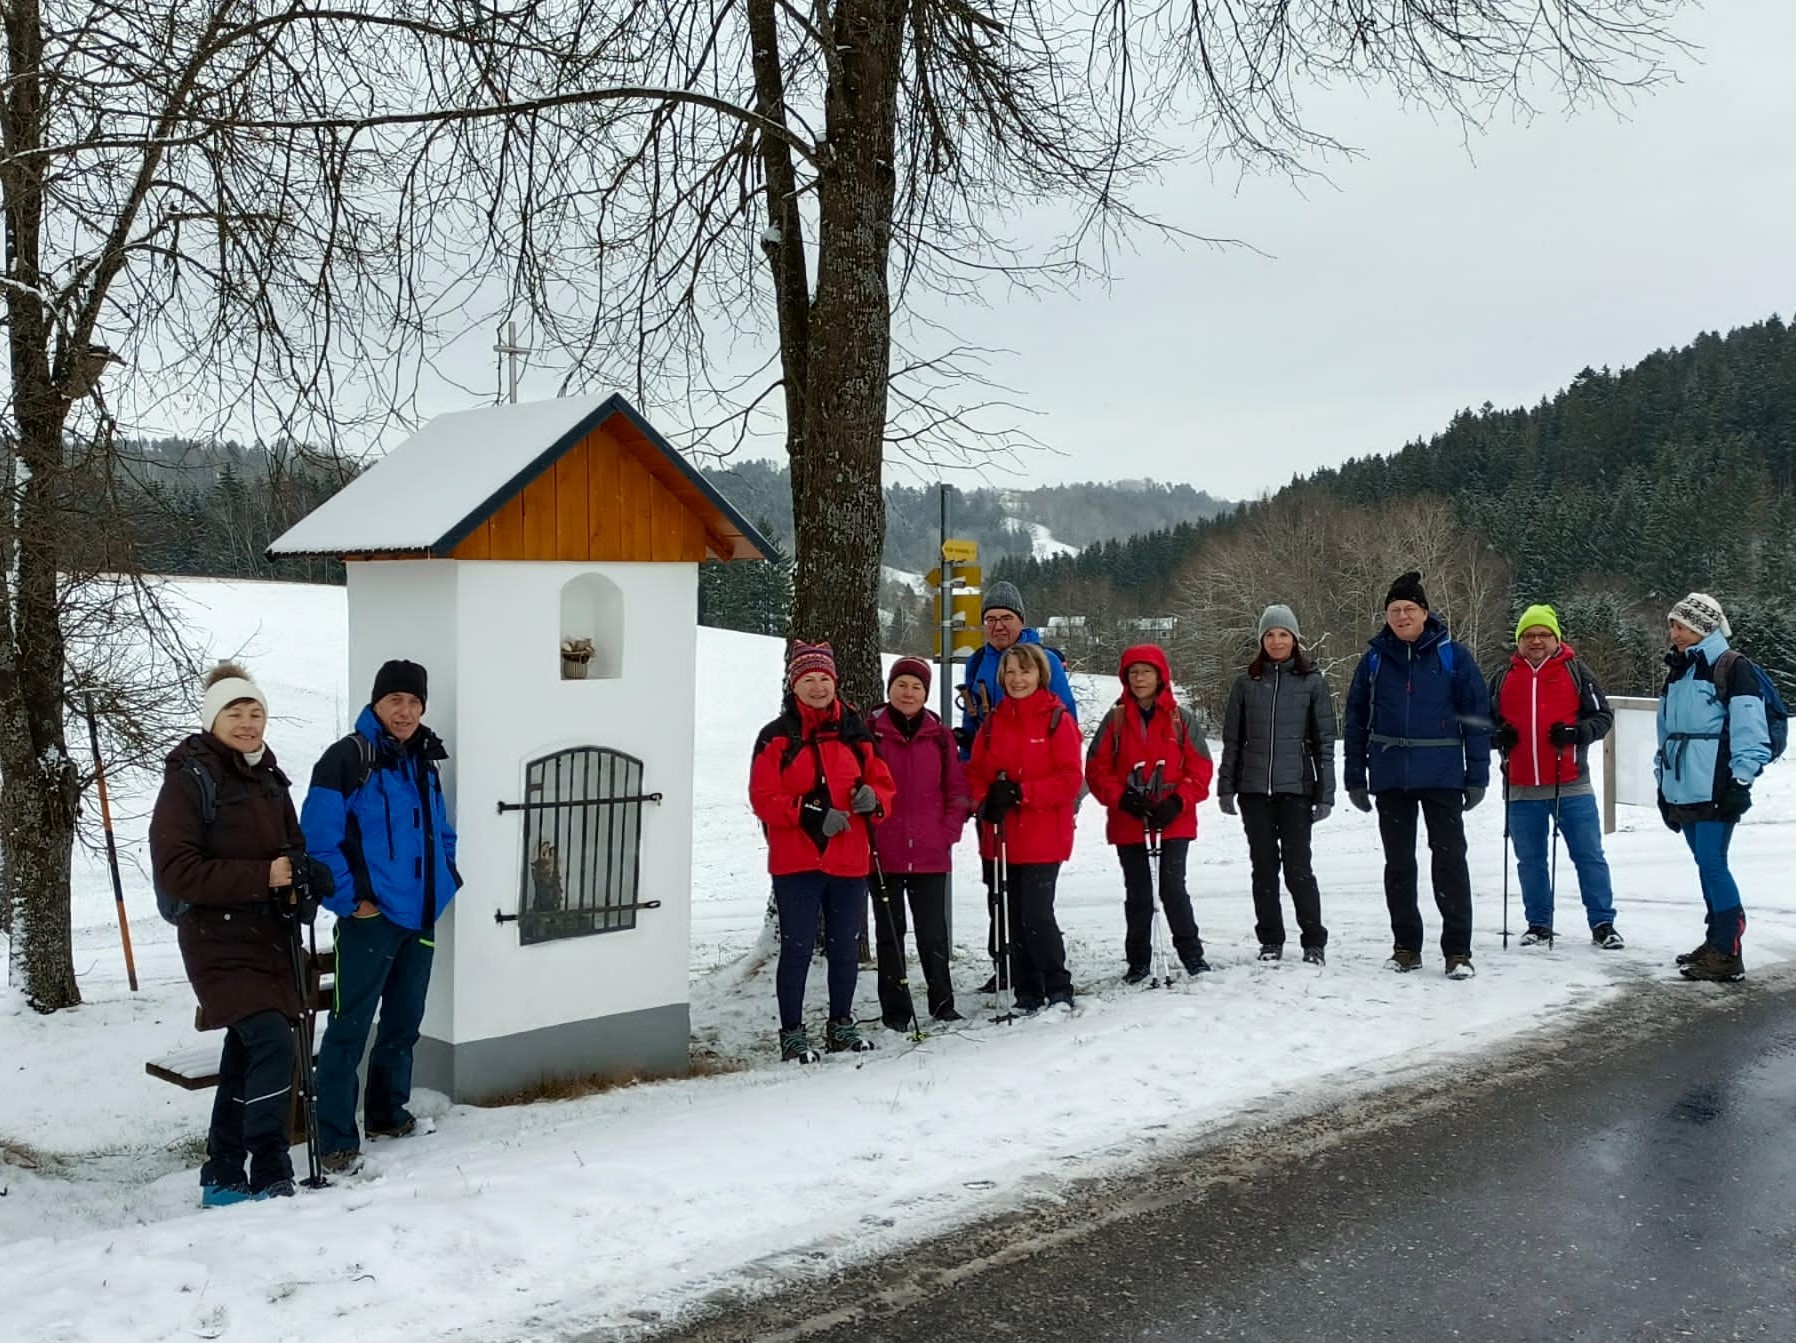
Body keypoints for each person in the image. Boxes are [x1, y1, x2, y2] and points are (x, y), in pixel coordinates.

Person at [149, 663, 329, 1207]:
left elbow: (293, 852)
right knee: (272, 1042)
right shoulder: (189, 781)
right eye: (236, 713)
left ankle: (222, 1173)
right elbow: (177, 870)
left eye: (256, 714)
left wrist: (303, 880)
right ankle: (271, 1165)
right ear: (213, 719)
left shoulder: (272, 781)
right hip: (216, 939)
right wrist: (264, 877)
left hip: (270, 937)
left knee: (244, 1055)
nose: (248, 724)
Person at [304, 659, 461, 1175]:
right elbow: (319, 843)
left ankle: (387, 1115)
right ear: (376, 703)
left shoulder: (423, 760)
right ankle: (334, 1138)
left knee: (403, 1023)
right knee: (350, 1027)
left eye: (415, 702)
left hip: (418, 917)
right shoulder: (347, 760)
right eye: (396, 700)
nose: (406, 711)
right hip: (370, 918)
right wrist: (353, 903)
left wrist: (445, 877)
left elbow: (441, 830)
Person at [750, 641, 898, 1060]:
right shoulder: (776, 737)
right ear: (794, 685)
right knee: (796, 947)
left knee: (844, 945)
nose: (817, 687)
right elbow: (763, 796)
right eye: (808, 679)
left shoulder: (856, 731)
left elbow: (883, 782)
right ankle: (792, 1033)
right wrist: (810, 815)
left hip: (850, 856)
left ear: (835, 682)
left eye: (824, 679)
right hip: (796, 861)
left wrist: (876, 797)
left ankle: (841, 1024)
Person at [1343, 571, 1491, 979]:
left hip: (1443, 775)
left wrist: (1477, 775)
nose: (1402, 616)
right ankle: (1406, 946)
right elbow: (1355, 722)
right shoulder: (1373, 660)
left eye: (1409, 609)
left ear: (1425, 612)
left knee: (1449, 863)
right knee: (1399, 866)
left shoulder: (1453, 656)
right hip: (1391, 777)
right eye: (1395, 610)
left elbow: (1477, 719)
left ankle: (1457, 951)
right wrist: (1355, 777)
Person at [1488, 604, 1622, 950]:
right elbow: (1482, 724)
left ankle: (1603, 923)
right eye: (1528, 635)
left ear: (1555, 638)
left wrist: (1577, 733)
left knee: (1588, 855)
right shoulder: (1503, 677)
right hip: (1520, 786)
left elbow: (1602, 717)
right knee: (1530, 860)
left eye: (1543, 634)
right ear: (1519, 641)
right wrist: (1496, 736)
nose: (1536, 641)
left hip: (1571, 783)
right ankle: (1538, 924)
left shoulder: (1576, 671)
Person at [1656, 593, 1773, 982]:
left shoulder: (1731, 666)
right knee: (1705, 863)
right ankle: (1716, 941)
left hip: (1717, 783)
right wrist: (1663, 783)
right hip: (1685, 784)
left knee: (1712, 862)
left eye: (1682, 626)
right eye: (1673, 625)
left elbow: (1748, 725)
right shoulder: (1680, 668)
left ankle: (1728, 950)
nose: (1675, 633)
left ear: (1704, 627)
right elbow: (1666, 731)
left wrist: (1742, 778)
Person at [1085, 644, 1216, 980]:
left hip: (1174, 818)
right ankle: (1139, 960)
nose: (1139, 678)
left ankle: (1191, 954)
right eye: (1133, 672)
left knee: (1172, 888)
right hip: (1130, 819)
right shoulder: (1115, 719)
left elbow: (1200, 769)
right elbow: (1097, 770)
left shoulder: (1179, 719)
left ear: (1161, 676)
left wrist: (1179, 800)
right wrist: (1123, 798)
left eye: (1146, 671)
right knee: (1140, 891)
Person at [967, 643, 1084, 1011]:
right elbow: (976, 773)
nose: (1017, 679)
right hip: (1002, 834)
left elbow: (1069, 779)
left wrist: (1022, 792)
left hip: (1043, 834)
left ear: (1040, 676)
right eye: (1011, 672)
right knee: (1010, 916)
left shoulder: (1056, 719)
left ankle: (1057, 984)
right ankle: (1027, 989)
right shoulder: (994, 720)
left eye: (1025, 671)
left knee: (1036, 913)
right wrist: (986, 799)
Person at [1218, 605, 1337, 965]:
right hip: (1254, 790)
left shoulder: (1312, 683)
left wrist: (1325, 793)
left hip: (1296, 790)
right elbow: (1232, 741)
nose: (1276, 641)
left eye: (1283, 634)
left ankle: (1313, 940)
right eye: (1269, 635)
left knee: (1299, 868)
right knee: (1264, 869)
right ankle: (1270, 939)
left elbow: (1324, 744)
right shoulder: (1245, 684)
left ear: (1295, 639)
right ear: (1261, 641)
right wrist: (1226, 787)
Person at [867, 656, 972, 1030]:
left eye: (916, 687)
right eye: (902, 685)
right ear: (889, 688)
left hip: (930, 851)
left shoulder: (939, 736)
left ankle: (942, 1004)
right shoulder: (870, 733)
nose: (908, 692)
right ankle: (896, 1012)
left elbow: (957, 792)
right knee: (890, 936)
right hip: (884, 852)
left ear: (925, 693)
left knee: (933, 935)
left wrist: (948, 833)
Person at [955, 579, 1078, 759]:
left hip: (1033, 769)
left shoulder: (1045, 660)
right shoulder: (977, 661)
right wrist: (966, 766)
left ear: (1021, 621)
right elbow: (970, 720)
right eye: (990, 619)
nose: (998, 626)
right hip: (987, 768)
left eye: (1006, 618)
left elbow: (1067, 722)